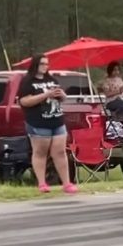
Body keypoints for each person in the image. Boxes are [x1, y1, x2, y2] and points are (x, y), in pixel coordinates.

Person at [17, 54, 76, 194]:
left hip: (57, 120)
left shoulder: (52, 79)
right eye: (42, 63)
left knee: (60, 152)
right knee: (40, 152)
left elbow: (63, 98)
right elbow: (24, 101)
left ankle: (67, 183)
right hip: (38, 122)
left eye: (47, 64)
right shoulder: (27, 82)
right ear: (35, 65)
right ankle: (42, 183)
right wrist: (45, 95)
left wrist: (61, 95)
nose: (45, 66)